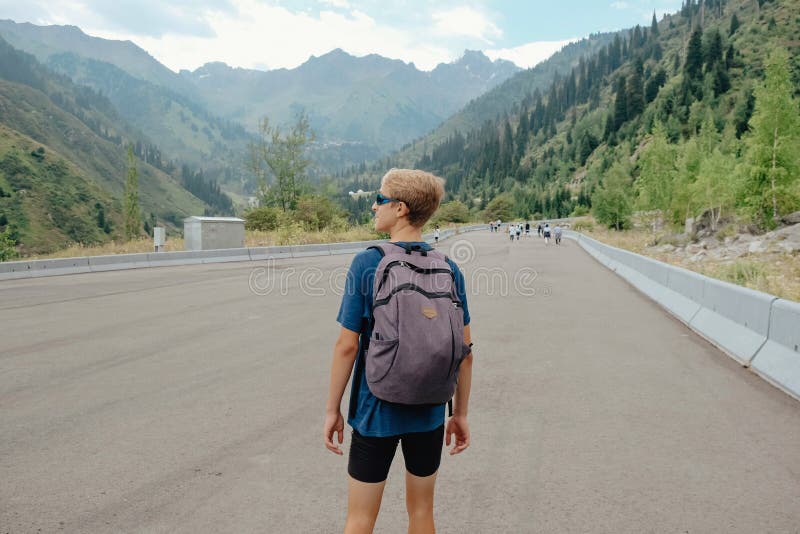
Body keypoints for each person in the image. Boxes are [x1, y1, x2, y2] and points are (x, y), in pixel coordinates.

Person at [324, 169, 473, 534]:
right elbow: (465, 352)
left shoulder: (368, 263)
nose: (374, 206)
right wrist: (460, 414)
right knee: (421, 512)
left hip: (376, 410)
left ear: (401, 208)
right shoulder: (449, 268)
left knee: (360, 519)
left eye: (380, 199)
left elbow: (347, 346)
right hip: (430, 412)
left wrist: (332, 410)